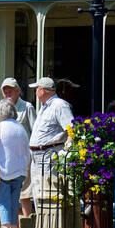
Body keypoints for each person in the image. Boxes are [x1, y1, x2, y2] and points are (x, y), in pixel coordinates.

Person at [0, 98, 31, 228]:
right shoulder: (21, 128)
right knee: (13, 204)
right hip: (20, 172)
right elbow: (27, 151)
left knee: (3, 203)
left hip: (3, 171)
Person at [28, 76, 74, 205]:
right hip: (37, 156)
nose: (35, 91)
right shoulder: (44, 106)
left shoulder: (59, 105)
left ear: (42, 90)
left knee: (47, 191)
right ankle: (41, 224)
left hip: (48, 156)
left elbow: (72, 129)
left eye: (37, 89)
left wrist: (65, 152)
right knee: (37, 193)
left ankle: (47, 224)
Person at [1, 77, 37, 221]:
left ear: (18, 91)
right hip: (7, 157)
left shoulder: (27, 107)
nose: (7, 93)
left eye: (10, 91)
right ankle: (12, 226)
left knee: (24, 193)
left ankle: (26, 225)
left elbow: (35, 131)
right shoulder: (1, 106)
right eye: (5, 91)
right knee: (9, 192)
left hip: (24, 156)